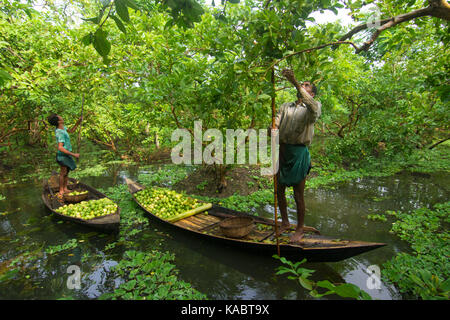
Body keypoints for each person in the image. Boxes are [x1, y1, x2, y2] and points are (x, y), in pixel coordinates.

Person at [274, 80, 321, 243]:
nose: (302, 85)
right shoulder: (286, 106)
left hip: (299, 153)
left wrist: (294, 81)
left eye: (306, 85)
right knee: (279, 189)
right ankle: (285, 222)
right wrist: (272, 127)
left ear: (312, 94)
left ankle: (299, 228)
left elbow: (313, 109)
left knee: (298, 194)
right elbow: (277, 122)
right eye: (301, 84)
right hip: (282, 151)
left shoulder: (313, 107)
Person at [47, 113, 82, 198]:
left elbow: (71, 131)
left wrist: (78, 122)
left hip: (66, 155)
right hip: (62, 156)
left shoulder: (63, 128)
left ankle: (65, 188)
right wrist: (74, 154)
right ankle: (61, 190)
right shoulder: (60, 132)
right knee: (63, 173)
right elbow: (60, 148)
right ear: (59, 121)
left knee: (66, 172)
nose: (61, 116)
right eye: (60, 116)